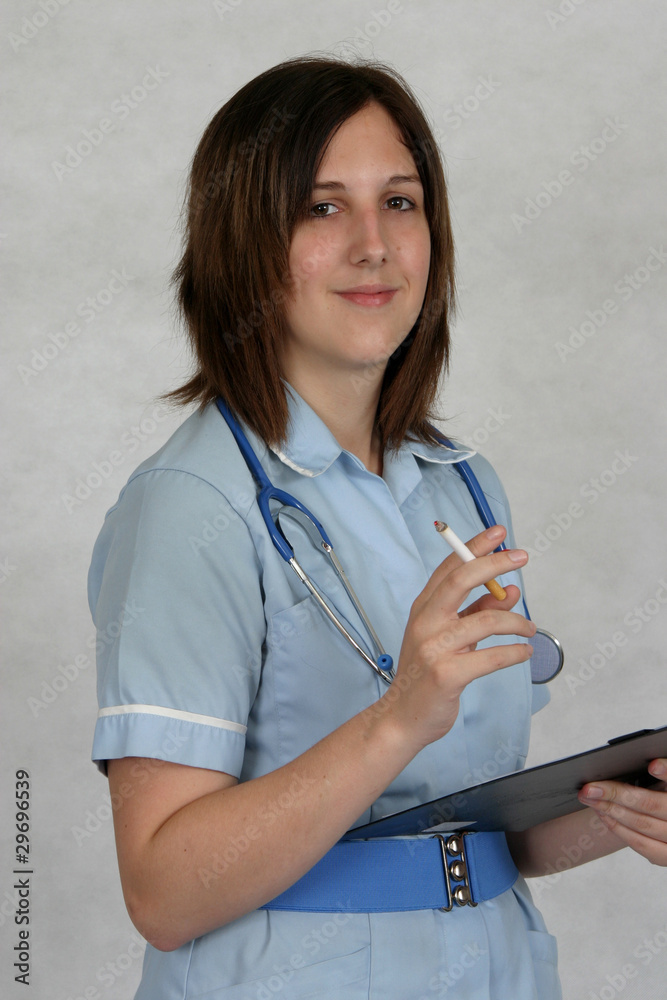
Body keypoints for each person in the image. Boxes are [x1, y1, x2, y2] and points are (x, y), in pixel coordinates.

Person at [88, 56, 667, 1000]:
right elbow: (161, 890)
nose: (374, 245)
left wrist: (628, 805)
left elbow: (474, 833)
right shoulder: (192, 506)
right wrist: (399, 717)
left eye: (399, 202)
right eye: (322, 208)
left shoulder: (461, 486)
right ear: (243, 241)